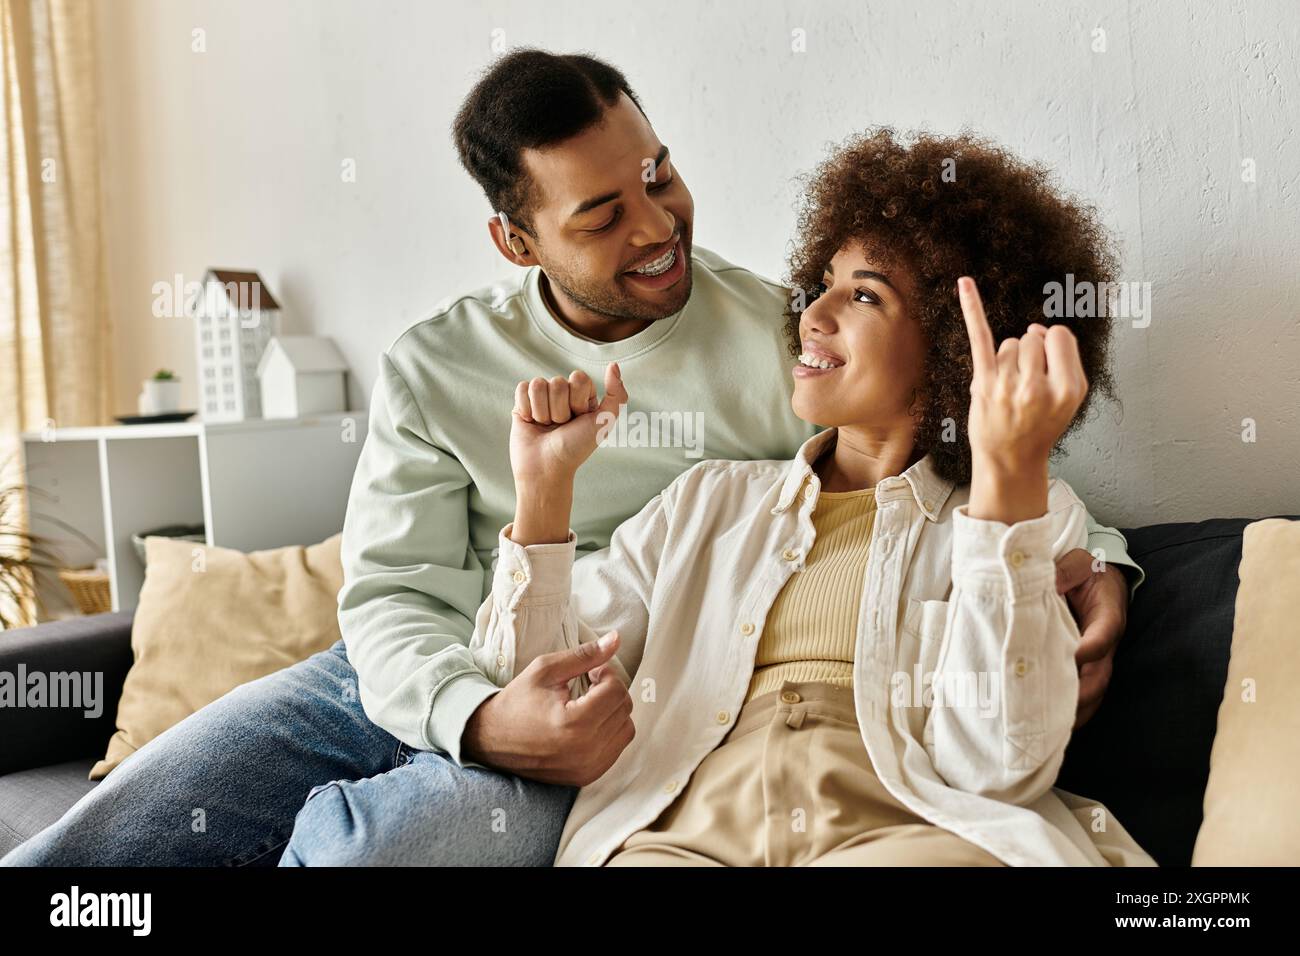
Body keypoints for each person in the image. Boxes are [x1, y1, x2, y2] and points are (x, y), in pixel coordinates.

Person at [0, 52, 1140, 868]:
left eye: (659, 174)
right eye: (600, 214)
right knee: (132, 826)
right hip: (424, 671)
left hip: (610, 703)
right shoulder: (439, 363)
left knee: (373, 843)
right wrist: (482, 704)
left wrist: (1100, 567)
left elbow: (985, 470)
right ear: (517, 239)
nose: (655, 225)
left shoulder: (772, 331)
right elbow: (390, 595)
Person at [472, 127, 1157, 866]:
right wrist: (542, 500)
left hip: (908, 830)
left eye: (864, 295)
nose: (814, 315)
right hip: (682, 834)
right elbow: (536, 701)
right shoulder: (706, 501)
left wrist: (1005, 484)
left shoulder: (1027, 512)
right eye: (824, 282)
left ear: (956, 346)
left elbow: (998, 766)